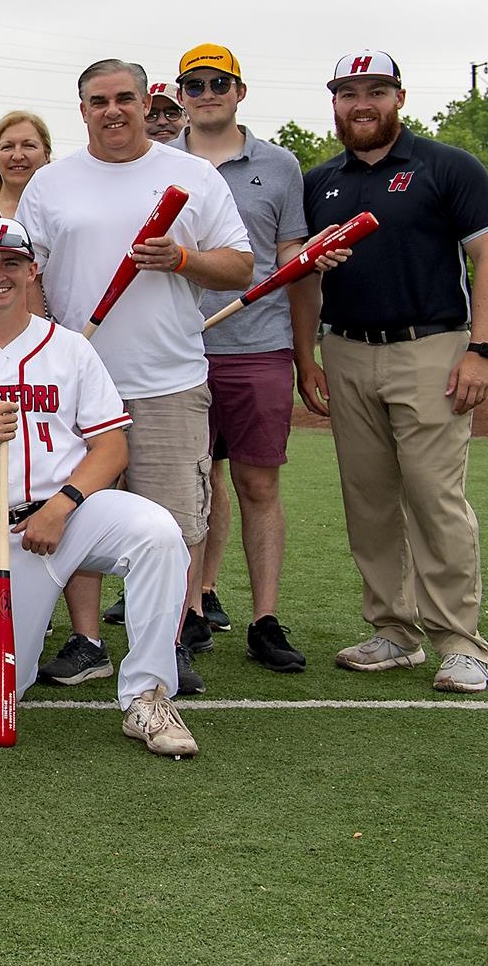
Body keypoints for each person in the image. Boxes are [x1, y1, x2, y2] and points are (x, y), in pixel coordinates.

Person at [0, 218, 197, 756]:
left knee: (159, 534)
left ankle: (148, 695)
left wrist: (63, 506)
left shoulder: (69, 348)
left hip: (73, 514)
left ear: (31, 270)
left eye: (11, 263)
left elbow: (112, 447)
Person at [18, 59, 252, 697]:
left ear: (148, 104)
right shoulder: (51, 183)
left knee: (175, 524)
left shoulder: (192, 176)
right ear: (83, 107)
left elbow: (239, 267)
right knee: (76, 515)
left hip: (168, 380)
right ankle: (88, 641)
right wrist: (49, 349)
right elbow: (28, 278)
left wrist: (182, 258)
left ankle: (166, 645)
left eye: (125, 98)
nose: (113, 110)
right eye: (99, 101)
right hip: (76, 387)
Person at [298, 50, 488, 693]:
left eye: (375, 90)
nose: (361, 103)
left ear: (399, 97)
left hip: (431, 347)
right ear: (334, 102)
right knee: (368, 499)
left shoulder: (446, 165)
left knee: (433, 497)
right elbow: (304, 274)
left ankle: (461, 641)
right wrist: (307, 353)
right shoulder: (320, 180)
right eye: (347, 92)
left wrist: (482, 349)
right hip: (348, 347)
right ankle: (394, 629)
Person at [146, 43, 314, 673]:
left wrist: (304, 355)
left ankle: (265, 619)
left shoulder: (281, 165)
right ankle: (187, 612)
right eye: (195, 84)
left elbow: (293, 264)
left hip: (256, 347)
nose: (206, 92)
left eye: (220, 82)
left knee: (258, 484)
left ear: (240, 91)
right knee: (191, 487)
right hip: (179, 349)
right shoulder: (159, 162)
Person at [0, 111, 52, 221]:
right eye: (7, 147)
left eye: (28, 145)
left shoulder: (63, 212)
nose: (17, 156)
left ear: (46, 156)